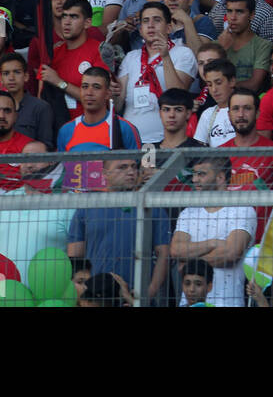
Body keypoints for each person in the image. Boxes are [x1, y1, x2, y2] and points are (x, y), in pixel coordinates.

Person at [67, 158, 171, 304]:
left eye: (134, 167)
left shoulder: (152, 207)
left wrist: (149, 292)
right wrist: (85, 292)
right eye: (122, 167)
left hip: (137, 295)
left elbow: (164, 254)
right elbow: (75, 259)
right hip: (96, 296)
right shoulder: (87, 206)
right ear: (105, 174)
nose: (130, 172)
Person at [170, 156, 257, 306]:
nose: (195, 180)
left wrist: (190, 264)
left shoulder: (242, 209)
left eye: (201, 174)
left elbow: (231, 253)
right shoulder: (188, 212)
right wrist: (213, 243)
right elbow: (176, 250)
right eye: (194, 174)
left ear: (220, 177)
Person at [116, 2, 197, 145]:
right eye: (145, 21)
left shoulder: (182, 53)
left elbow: (178, 94)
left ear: (169, 27)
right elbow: (118, 104)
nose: (151, 25)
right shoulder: (130, 57)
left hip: (164, 143)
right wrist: (112, 92)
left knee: (152, 167)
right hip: (131, 142)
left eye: (157, 20)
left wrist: (165, 57)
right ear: (140, 30)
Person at [56, 66, 144, 152]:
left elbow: (138, 164)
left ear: (107, 94)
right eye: (85, 87)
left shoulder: (124, 128)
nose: (89, 93)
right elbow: (63, 165)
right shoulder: (66, 131)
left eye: (96, 87)